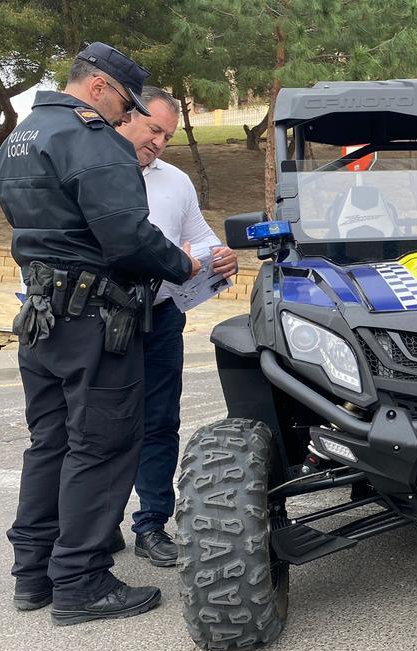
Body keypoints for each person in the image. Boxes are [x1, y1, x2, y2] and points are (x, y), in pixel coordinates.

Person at [0, 42, 200, 625]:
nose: (125, 118)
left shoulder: (22, 136)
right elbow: (128, 238)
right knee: (101, 444)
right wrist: (182, 264)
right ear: (99, 87)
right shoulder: (93, 140)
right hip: (96, 319)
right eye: (125, 104)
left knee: (50, 443)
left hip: (41, 315)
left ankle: (33, 572)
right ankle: (81, 580)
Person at [113, 86, 237, 566]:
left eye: (167, 134)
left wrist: (219, 256)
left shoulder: (175, 181)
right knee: (103, 426)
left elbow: (200, 239)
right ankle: (99, 528)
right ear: (126, 119)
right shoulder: (94, 173)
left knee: (160, 422)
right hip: (108, 317)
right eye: (154, 130)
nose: (160, 142)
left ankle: (152, 524)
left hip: (161, 316)